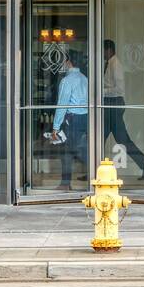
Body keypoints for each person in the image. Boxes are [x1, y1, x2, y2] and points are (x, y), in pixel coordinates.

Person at [102, 39, 144, 181]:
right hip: (110, 104)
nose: (102, 54)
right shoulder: (110, 64)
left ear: (108, 50)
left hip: (113, 104)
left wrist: (102, 91)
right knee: (103, 138)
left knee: (113, 138)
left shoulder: (116, 65)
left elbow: (119, 89)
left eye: (103, 51)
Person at [50, 50, 88, 189]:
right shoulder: (85, 78)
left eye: (64, 61)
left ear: (69, 62)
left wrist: (56, 127)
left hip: (72, 119)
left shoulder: (67, 81)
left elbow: (62, 104)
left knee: (67, 152)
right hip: (85, 118)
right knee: (78, 149)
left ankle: (65, 183)